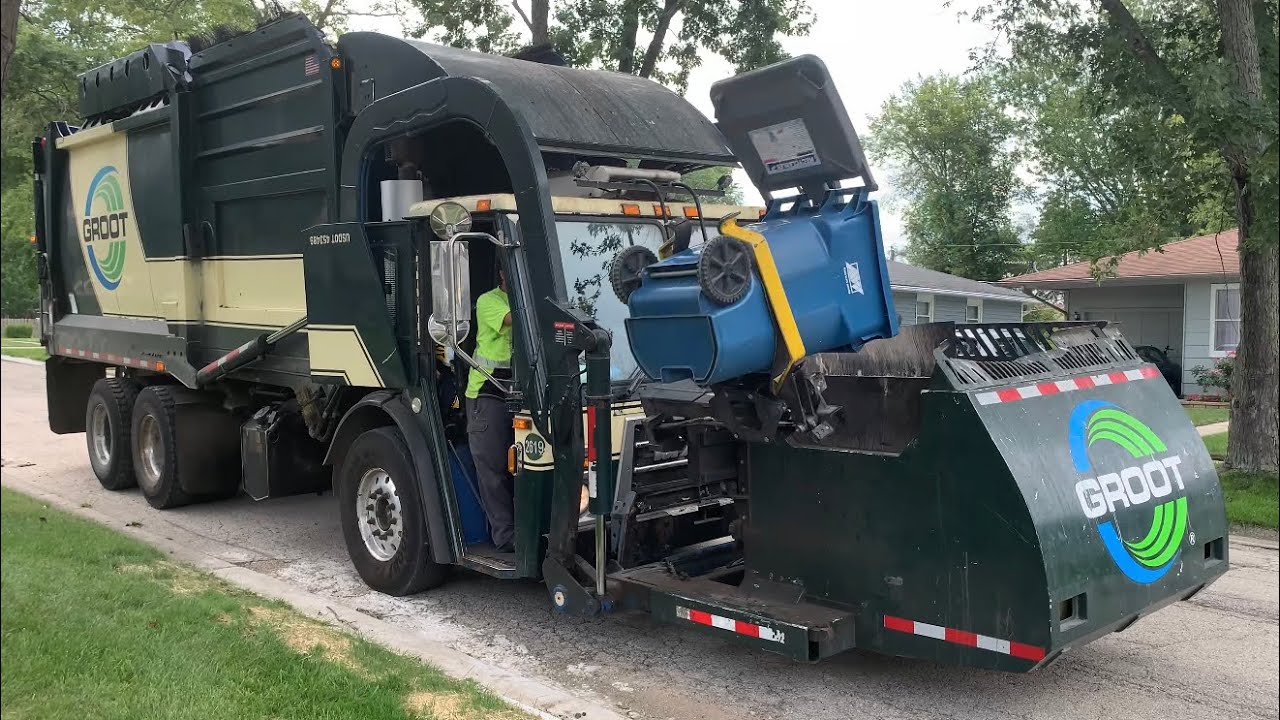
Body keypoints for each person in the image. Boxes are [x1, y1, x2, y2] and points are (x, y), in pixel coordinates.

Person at [466, 267, 516, 552]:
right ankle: (505, 536)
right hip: (488, 391)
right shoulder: (489, 301)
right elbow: (514, 319)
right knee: (493, 469)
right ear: (501, 274)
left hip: (520, 390)